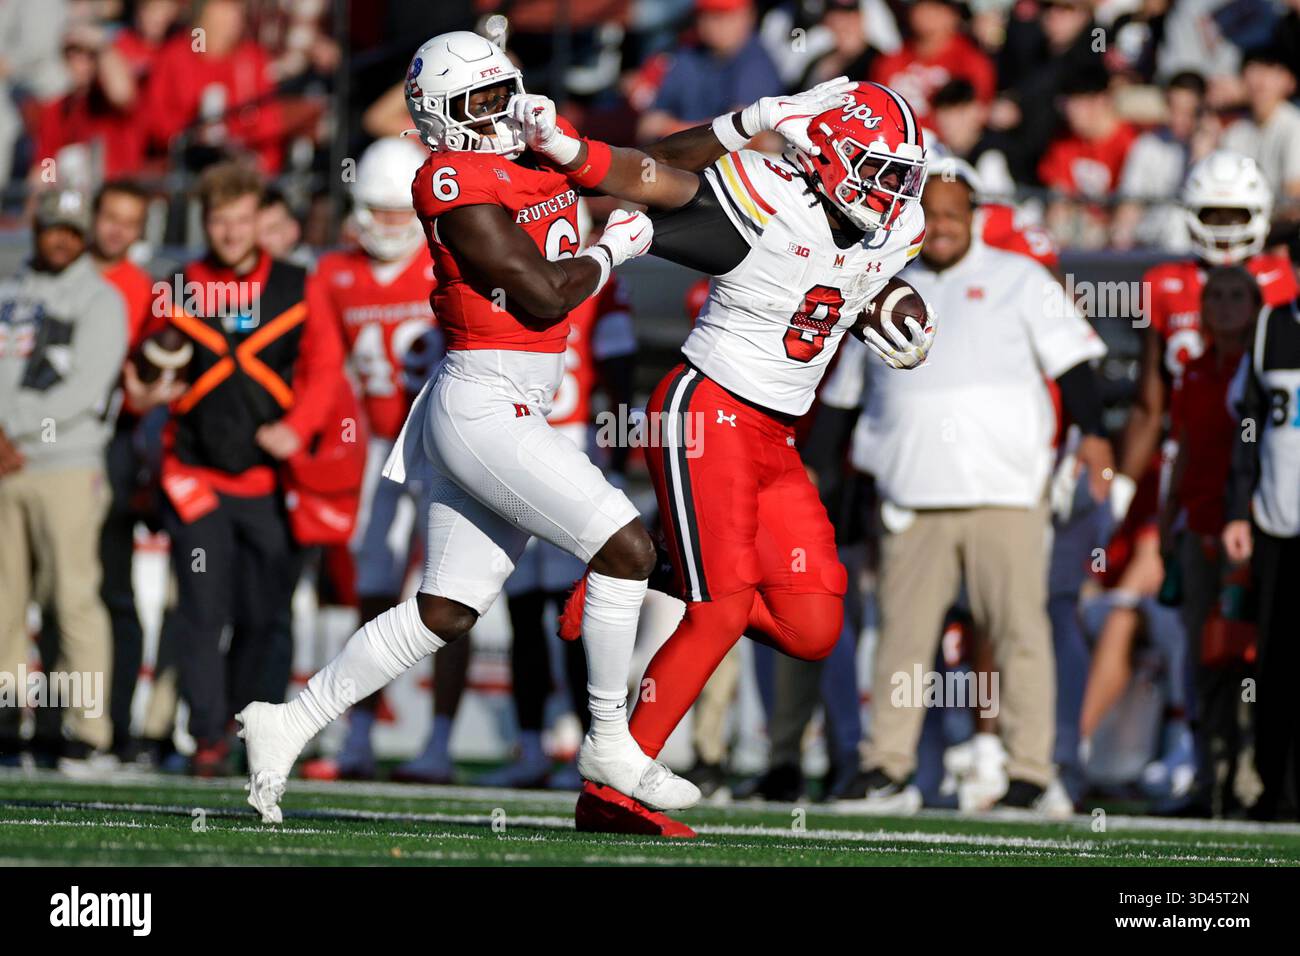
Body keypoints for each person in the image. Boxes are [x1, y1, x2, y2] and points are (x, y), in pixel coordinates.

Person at [236, 30, 697, 825]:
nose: (501, 112)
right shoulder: (447, 177)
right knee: (627, 548)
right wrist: (615, 248)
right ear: (442, 118)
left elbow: (649, 164)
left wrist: (580, 143)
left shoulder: (532, 149)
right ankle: (609, 738)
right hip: (484, 399)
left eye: (503, 91)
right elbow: (548, 296)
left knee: (444, 611)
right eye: (480, 102)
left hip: (503, 402)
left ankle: (289, 722)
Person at [514, 77, 936, 833]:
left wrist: (886, 305)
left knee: (813, 626)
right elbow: (641, 170)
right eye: (876, 169)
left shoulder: (896, 225)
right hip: (705, 410)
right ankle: (611, 788)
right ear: (830, 155)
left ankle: (643, 563)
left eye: (899, 173)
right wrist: (752, 122)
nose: (891, 189)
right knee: (725, 606)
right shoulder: (767, 193)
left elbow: (851, 277)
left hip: (778, 434)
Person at [844, 160, 1111, 814]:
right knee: (903, 643)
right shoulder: (881, 287)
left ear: (975, 217)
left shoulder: (1020, 279)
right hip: (910, 496)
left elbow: (1077, 367)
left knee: (1021, 632)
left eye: (952, 215)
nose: (939, 228)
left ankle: (1030, 771)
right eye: (928, 215)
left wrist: (1097, 438)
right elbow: (845, 398)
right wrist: (834, 485)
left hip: (1005, 492)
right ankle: (887, 768)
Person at [126, 162, 344, 775]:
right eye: (218, 220)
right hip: (194, 474)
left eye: (240, 220)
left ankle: (249, 727)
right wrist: (147, 386)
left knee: (264, 615)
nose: (228, 232)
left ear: (260, 222)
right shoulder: (177, 286)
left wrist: (296, 429)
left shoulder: (298, 284)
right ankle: (206, 739)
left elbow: (326, 368)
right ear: (206, 222)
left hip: (270, 481)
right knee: (202, 609)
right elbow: (142, 371)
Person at [299, 135, 450, 783]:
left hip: (447, 445)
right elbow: (326, 368)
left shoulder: (447, 261)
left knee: (448, 592)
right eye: (379, 212)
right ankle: (358, 732)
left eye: (400, 213)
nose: (390, 226)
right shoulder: (334, 272)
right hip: (381, 446)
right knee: (374, 586)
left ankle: (439, 741)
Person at [0, 189, 127, 772]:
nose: (61, 239)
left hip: (66, 463)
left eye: (72, 232)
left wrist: (15, 431)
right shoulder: (8, 291)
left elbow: (86, 390)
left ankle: (87, 729)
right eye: (53, 227)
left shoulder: (101, 300)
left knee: (71, 597)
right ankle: (12, 722)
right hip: (6, 464)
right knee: (4, 603)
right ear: (37, 226)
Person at [1114, 151, 1297, 528]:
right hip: (1190, 453)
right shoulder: (1163, 283)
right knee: (1187, 569)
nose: (1225, 227)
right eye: (1213, 214)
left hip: (1265, 449)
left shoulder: (1285, 278)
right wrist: (1119, 489)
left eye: (1236, 215)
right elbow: (1150, 404)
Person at [1224, 265, 1300, 822]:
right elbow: (1248, 420)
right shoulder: (1272, 324)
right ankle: (1274, 791)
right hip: (1278, 519)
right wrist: (1238, 507)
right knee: (1274, 664)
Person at [637, 0, 784, 144]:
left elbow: (742, 134)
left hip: (727, 163)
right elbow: (648, 125)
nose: (715, 24)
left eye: (724, 15)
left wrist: (671, 128)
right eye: (707, 15)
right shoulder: (686, 55)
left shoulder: (757, 63)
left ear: (748, 16)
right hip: (678, 159)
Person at [1221, 46, 1300, 206]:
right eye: (1254, 69)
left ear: (1289, 82)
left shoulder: (1294, 126)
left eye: (1269, 70)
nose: (1260, 80)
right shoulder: (1235, 132)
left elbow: (1294, 195)